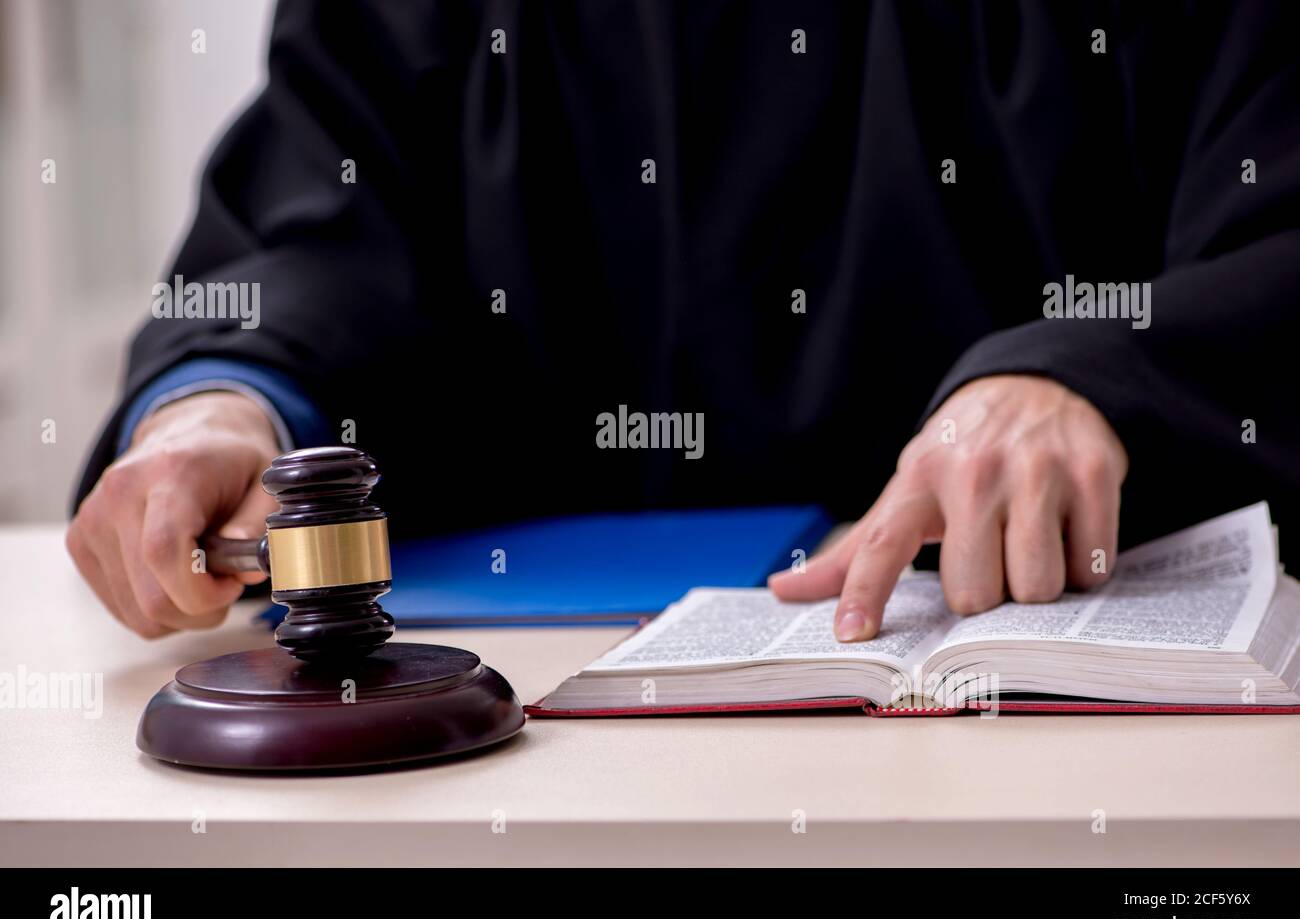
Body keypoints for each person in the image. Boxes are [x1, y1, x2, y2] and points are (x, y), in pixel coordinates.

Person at [67, 1, 1300, 642]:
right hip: (530, 765)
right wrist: (228, 401)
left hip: (1041, 709)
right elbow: (323, 215)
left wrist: (1095, 376)